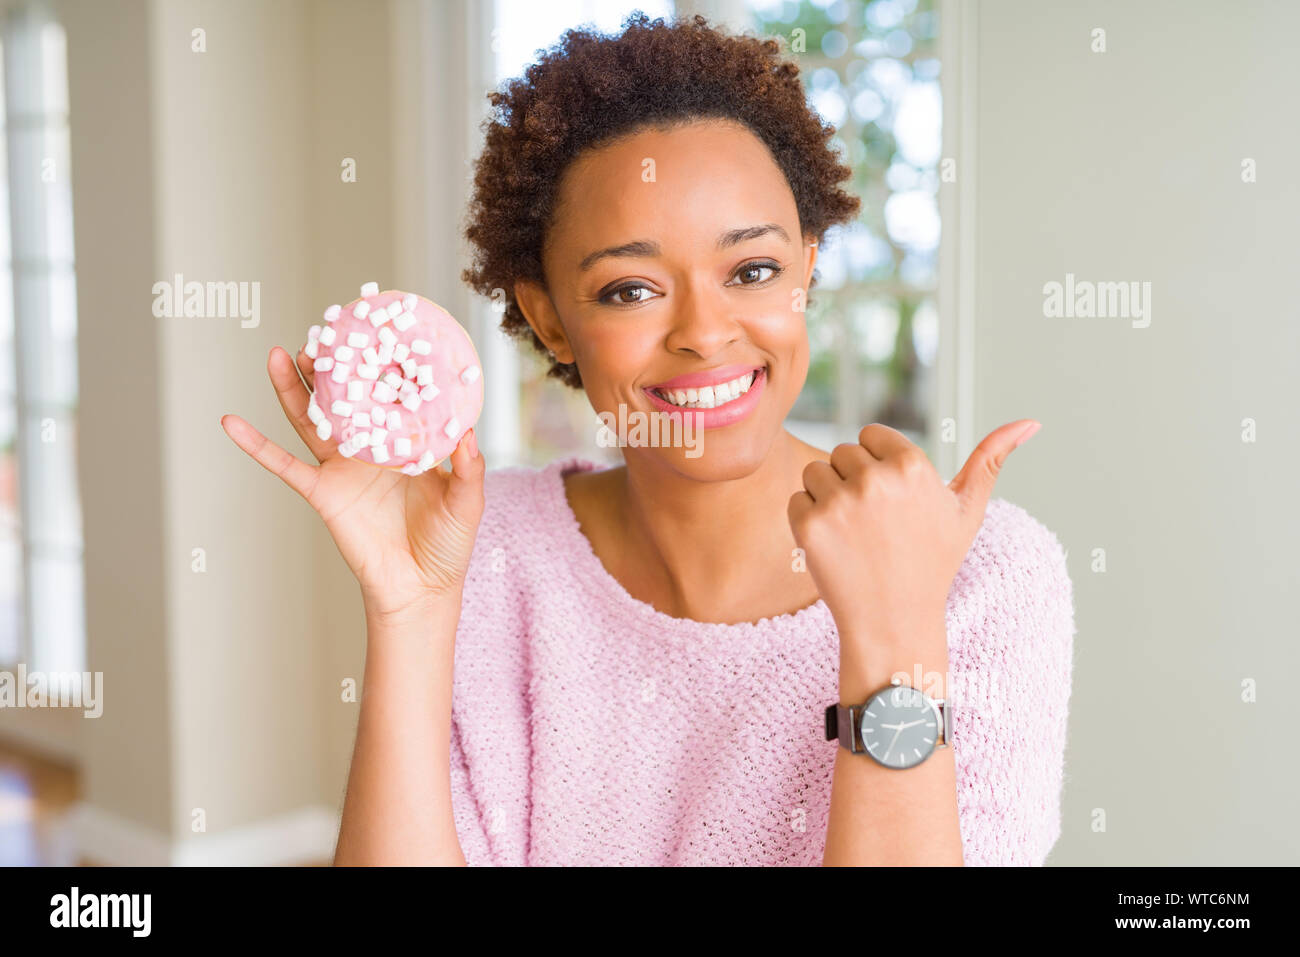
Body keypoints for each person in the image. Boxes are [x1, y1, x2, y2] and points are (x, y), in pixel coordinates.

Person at [222, 13, 1073, 866]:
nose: (706, 333)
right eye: (631, 288)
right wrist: (409, 615)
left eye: (753, 270)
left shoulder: (983, 574)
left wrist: (895, 639)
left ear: (806, 273)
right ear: (550, 318)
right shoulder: (482, 551)